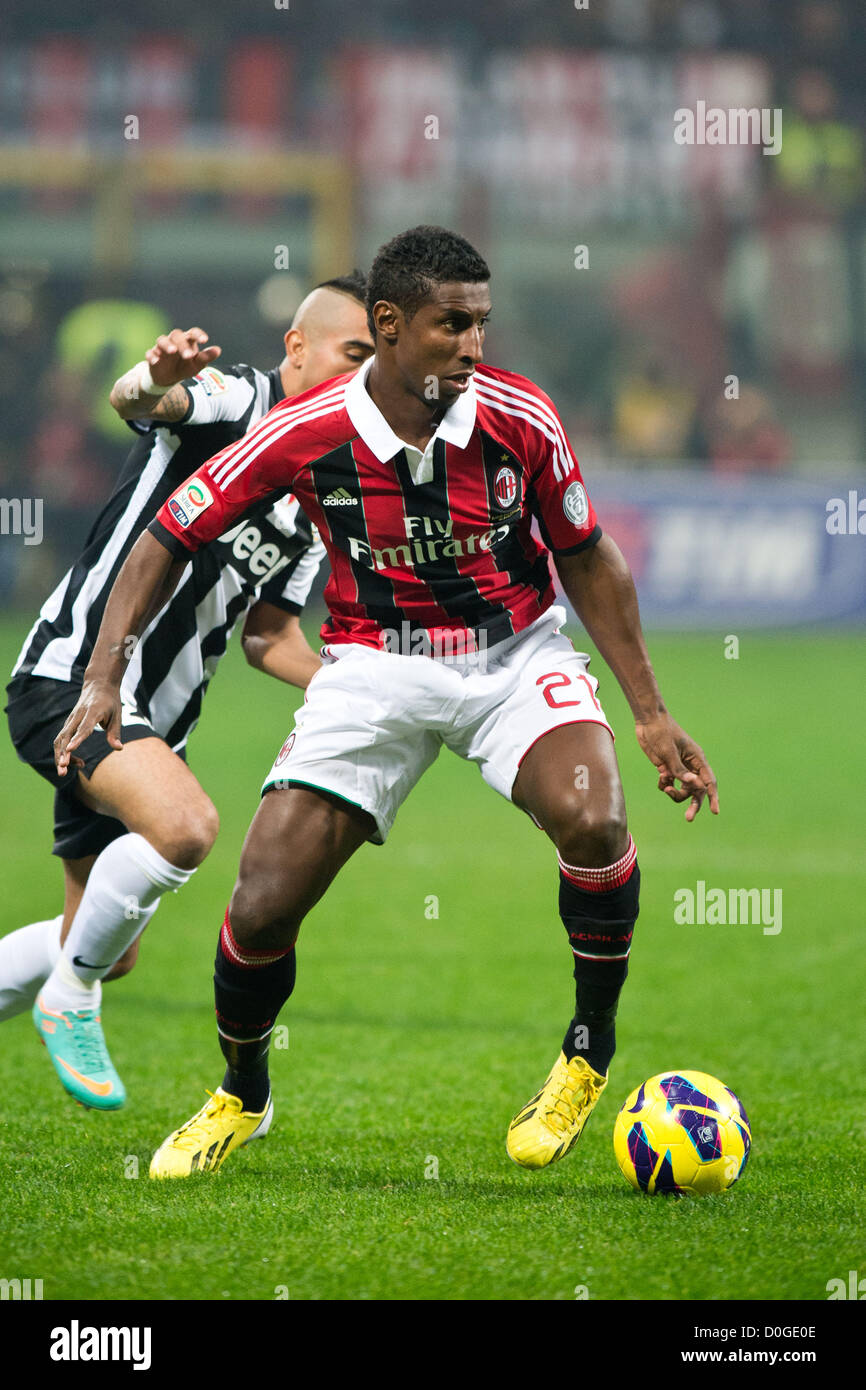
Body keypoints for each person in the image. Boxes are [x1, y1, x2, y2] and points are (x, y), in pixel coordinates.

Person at [55, 227, 718, 1175]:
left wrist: (649, 711)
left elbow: (587, 555)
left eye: (483, 324)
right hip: (372, 669)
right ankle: (243, 1093)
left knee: (594, 819)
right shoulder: (306, 431)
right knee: (262, 903)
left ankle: (586, 1054)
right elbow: (167, 534)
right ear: (392, 324)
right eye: (453, 326)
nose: (474, 346)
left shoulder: (519, 416)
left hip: (513, 657)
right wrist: (105, 676)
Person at [3, 274, 374, 1111]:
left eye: (375, 362)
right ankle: (71, 1001)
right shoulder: (234, 400)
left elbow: (269, 638)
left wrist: (365, 687)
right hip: (75, 680)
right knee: (185, 828)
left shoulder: (321, 494)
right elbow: (138, 397)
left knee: (96, 938)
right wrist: (159, 377)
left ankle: (77, 976)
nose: (364, 377)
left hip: (152, 726)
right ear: (297, 347)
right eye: (353, 355)